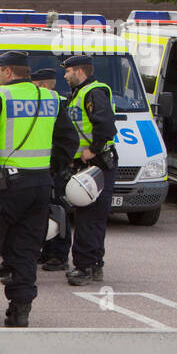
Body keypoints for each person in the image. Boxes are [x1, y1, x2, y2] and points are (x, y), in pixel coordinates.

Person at [0, 50, 78, 328]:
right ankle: (20, 312)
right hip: (40, 185)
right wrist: (50, 169)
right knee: (26, 251)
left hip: (5, 186)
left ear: (9, 72)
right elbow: (69, 140)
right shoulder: (51, 98)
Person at [63, 53, 118, 286]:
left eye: (67, 71)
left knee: (89, 217)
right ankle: (93, 265)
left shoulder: (93, 92)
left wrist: (93, 150)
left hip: (97, 163)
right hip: (88, 164)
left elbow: (106, 125)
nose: (65, 76)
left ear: (79, 71)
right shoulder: (80, 93)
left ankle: (86, 267)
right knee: (91, 216)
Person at [33, 67, 73, 272]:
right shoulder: (49, 102)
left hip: (53, 168)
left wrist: (58, 165)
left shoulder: (57, 103)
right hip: (43, 167)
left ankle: (58, 254)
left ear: (42, 85)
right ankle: (47, 251)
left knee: (58, 211)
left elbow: (67, 139)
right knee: (44, 211)